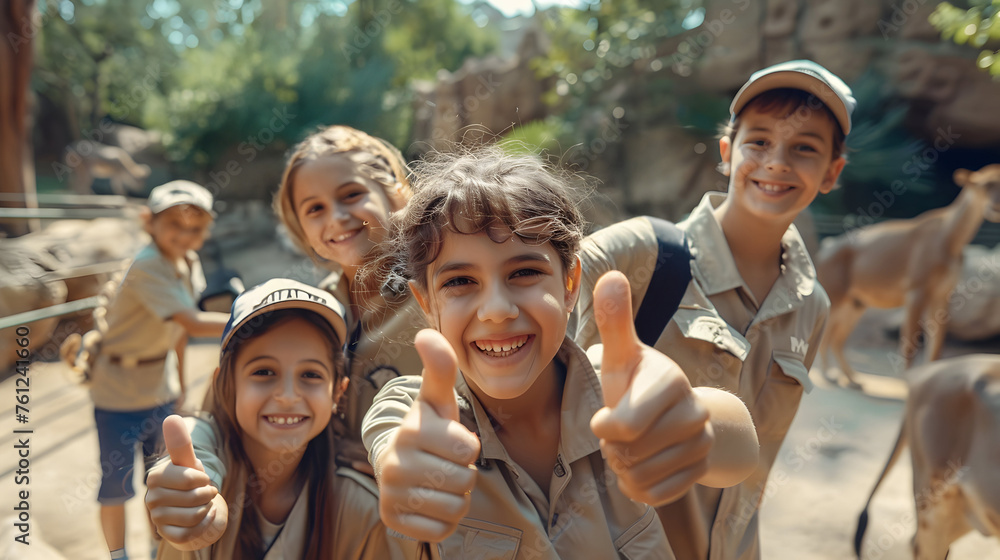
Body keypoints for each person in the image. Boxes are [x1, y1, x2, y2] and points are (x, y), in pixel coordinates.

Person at [359, 147, 758, 559]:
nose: (496, 309)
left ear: (570, 285)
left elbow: (739, 450)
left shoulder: (620, 395)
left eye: (525, 272)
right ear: (425, 303)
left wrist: (694, 425)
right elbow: (394, 451)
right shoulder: (407, 409)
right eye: (460, 281)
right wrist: (406, 475)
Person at [570, 59, 853, 560]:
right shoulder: (636, 253)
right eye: (759, 141)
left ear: (832, 171)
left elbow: (756, 471)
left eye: (805, 148)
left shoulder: (814, 306)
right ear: (727, 152)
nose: (776, 161)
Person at [144, 279, 430, 559]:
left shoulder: (362, 508)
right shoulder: (201, 491)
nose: (288, 395)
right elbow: (199, 451)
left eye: (310, 375)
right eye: (264, 372)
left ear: (337, 393)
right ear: (225, 385)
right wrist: (185, 496)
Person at [61, 180, 230, 560]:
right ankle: (119, 555)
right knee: (116, 486)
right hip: (119, 392)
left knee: (159, 479)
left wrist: (181, 382)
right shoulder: (149, 264)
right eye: (174, 223)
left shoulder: (186, 262)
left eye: (195, 228)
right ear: (149, 222)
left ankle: (159, 550)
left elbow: (177, 333)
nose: (184, 234)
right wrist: (253, 318)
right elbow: (191, 321)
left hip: (161, 386)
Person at [272, 125, 424, 470]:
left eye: (352, 194)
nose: (337, 218)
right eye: (314, 209)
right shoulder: (313, 308)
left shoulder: (439, 288)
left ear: (392, 190)